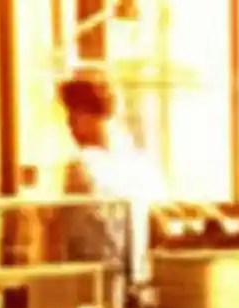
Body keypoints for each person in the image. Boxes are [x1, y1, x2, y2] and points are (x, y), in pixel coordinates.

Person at [57, 75, 168, 291]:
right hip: (139, 281)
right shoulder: (140, 162)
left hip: (94, 285)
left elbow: (59, 239)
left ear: (91, 115)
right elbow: (160, 224)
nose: (69, 124)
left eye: (74, 114)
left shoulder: (81, 168)